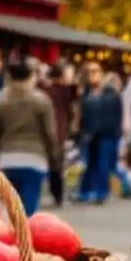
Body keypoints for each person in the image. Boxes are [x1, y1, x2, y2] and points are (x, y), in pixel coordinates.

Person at [0, 58, 59, 215]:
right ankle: (26, 236)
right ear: (31, 76)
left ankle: (12, 235)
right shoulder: (42, 100)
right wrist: (54, 157)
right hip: (35, 157)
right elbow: (50, 133)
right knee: (29, 207)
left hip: (7, 157)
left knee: (10, 207)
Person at [78, 63, 124, 203]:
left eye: (95, 72)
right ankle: (91, 191)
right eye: (90, 72)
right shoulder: (87, 93)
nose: (93, 76)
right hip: (95, 134)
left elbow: (113, 116)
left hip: (103, 134)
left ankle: (98, 192)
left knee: (99, 163)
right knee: (93, 163)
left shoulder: (108, 95)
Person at [40, 64, 77, 207]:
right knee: (56, 166)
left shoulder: (43, 91)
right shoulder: (64, 91)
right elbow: (71, 111)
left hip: (42, 132)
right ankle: (58, 195)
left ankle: (52, 192)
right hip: (59, 131)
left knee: (46, 163)